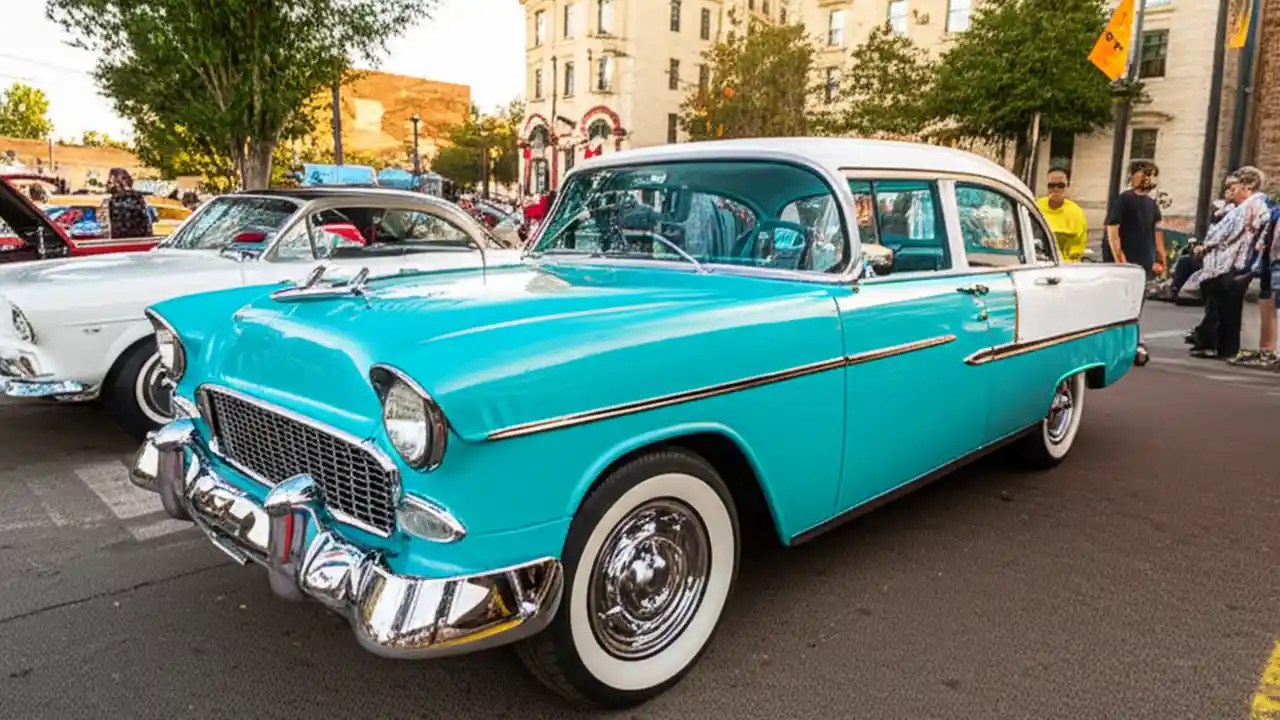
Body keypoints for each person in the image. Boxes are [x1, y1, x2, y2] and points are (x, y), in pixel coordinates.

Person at [1189, 167, 1270, 360]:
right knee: (1221, 306)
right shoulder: (1238, 207)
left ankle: (1226, 349)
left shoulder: (1253, 206)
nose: (1230, 190)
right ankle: (1220, 346)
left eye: (1234, 186)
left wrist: (1206, 246)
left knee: (1228, 308)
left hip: (1234, 264)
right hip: (1224, 264)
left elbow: (1226, 233)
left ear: (1247, 186)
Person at [1104, 161, 1167, 278]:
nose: (1151, 179)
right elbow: (1113, 232)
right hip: (1125, 267)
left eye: (1153, 175)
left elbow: (1158, 234)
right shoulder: (1123, 200)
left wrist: (1162, 262)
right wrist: (1120, 261)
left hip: (1145, 267)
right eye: (1147, 174)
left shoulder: (1152, 204)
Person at [1037, 166, 1088, 262]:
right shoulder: (1037, 207)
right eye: (1051, 185)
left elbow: (1077, 249)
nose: (1055, 189)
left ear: (1067, 186)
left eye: (1060, 186)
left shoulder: (1076, 213)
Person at [104, 168, 153, 239]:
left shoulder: (112, 200)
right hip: (140, 240)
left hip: (119, 242)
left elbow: (107, 226)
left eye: (110, 182)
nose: (109, 184)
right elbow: (148, 221)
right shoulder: (140, 198)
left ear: (117, 183)